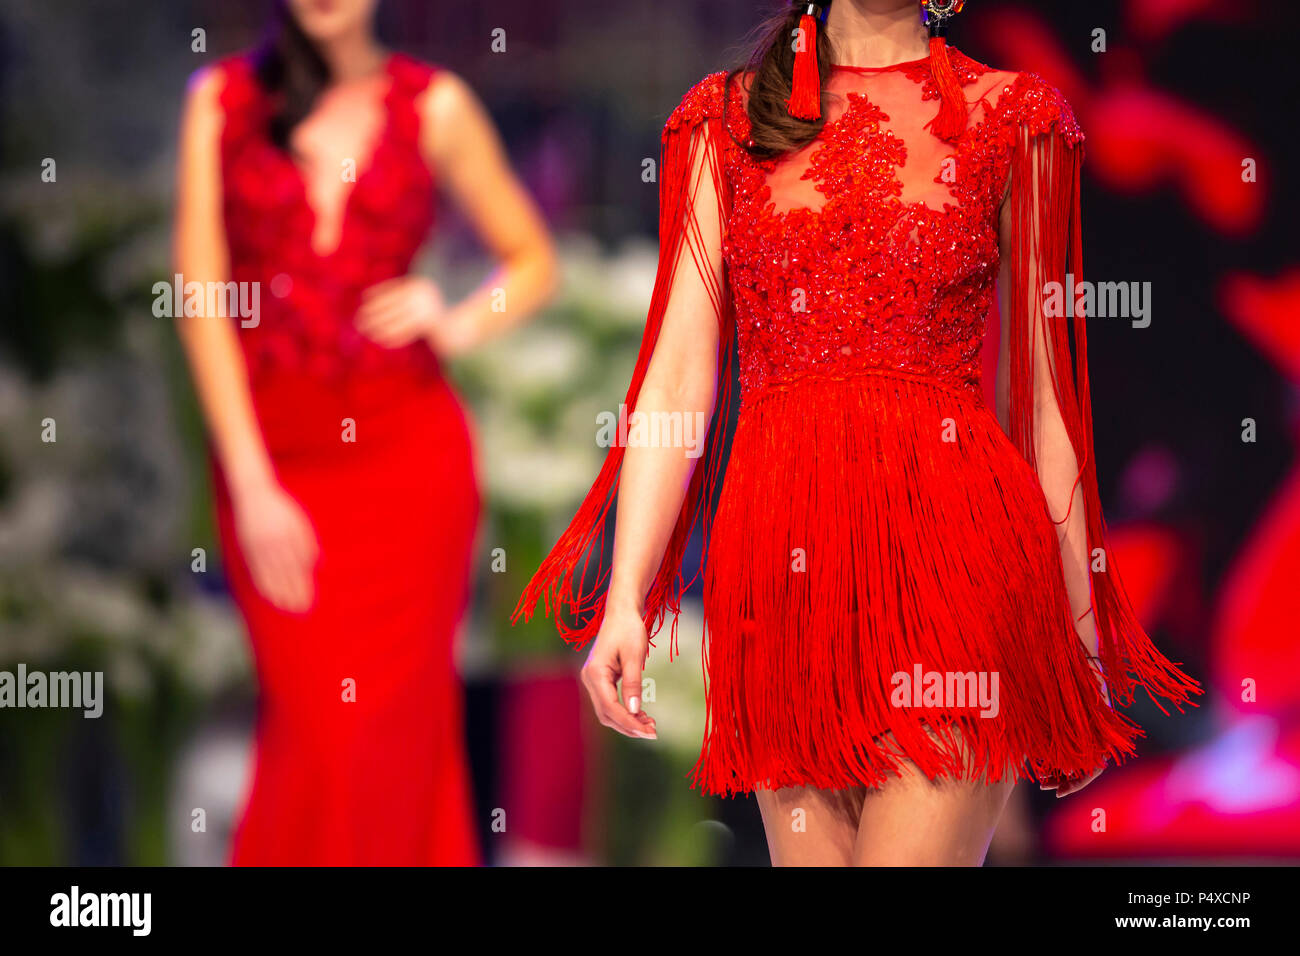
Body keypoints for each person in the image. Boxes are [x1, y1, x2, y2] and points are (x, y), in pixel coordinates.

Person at [516, 0, 1198, 866]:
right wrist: (626, 600)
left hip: (957, 564)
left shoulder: (1014, 115)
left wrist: (1080, 629)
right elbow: (680, 375)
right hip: (781, 577)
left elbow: (1043, 396)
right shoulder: (720, 120)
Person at [173, 0, 556, 865]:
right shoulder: (222, 101)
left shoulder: (436, 105)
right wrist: (252, 484)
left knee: (391, 740)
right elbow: (199, 304)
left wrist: (454, 319)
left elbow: (533, 260)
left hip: (406, 458)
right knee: (320, 733)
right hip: (277, 466)